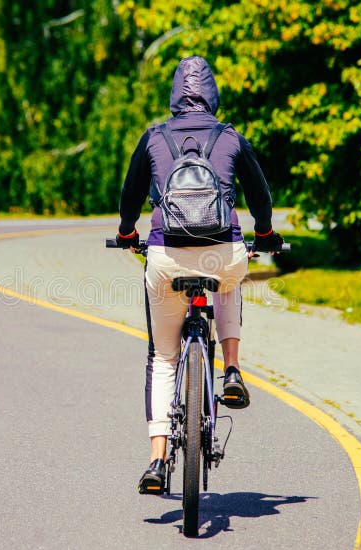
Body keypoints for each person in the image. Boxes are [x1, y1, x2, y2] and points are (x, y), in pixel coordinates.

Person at [116, 56, 284, 494]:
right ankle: (230, 370)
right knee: (230, 277)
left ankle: (156, 460)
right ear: (212, 94)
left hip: (166, 256)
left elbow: (131, 195)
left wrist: (127, 233)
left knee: (164, 358)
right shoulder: (229, 136)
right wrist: (264, 233)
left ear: (174, 95)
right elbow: (260, 193)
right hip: (222, 250)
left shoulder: (154, 136)